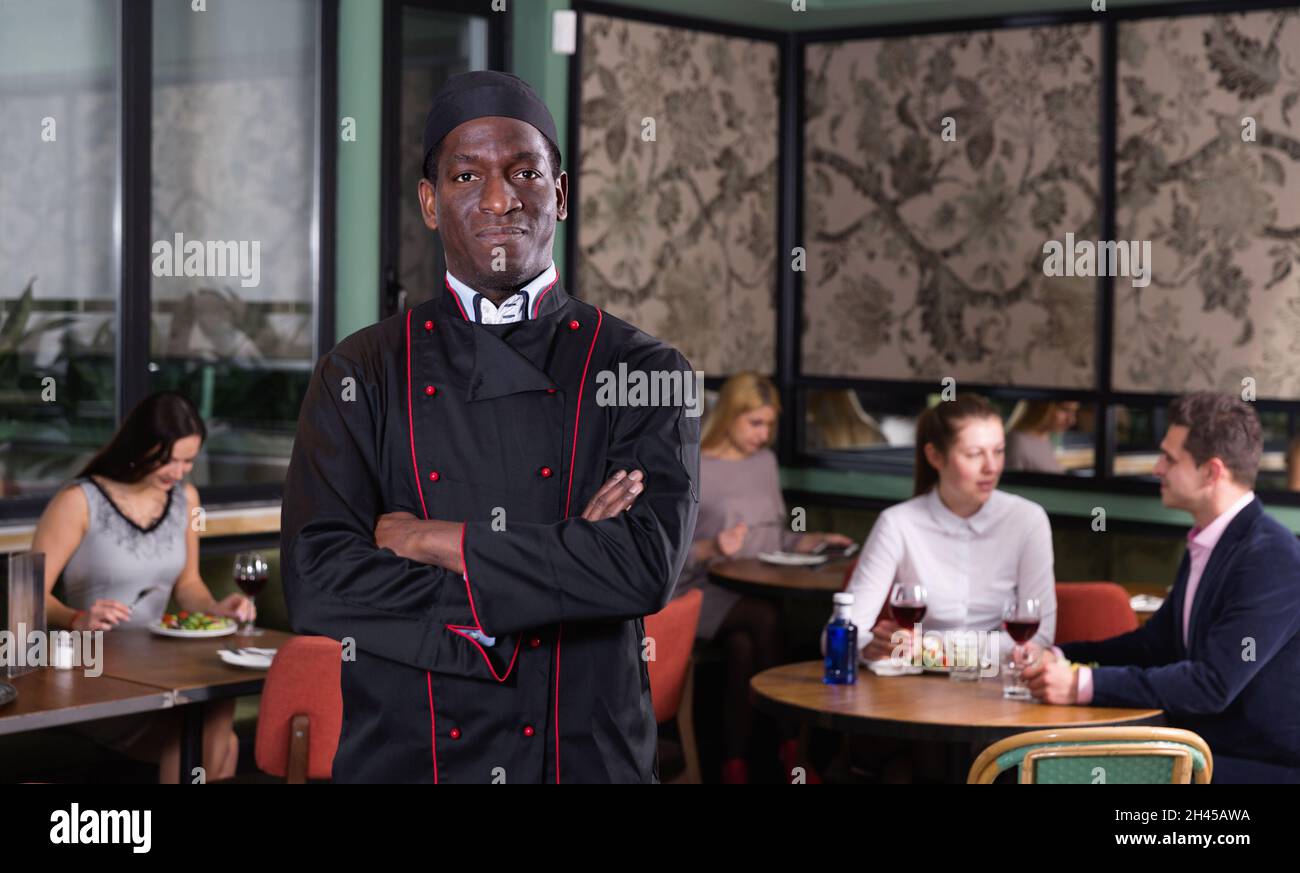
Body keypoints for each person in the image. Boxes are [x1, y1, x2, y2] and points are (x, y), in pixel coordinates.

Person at [280, 70, 700, 784]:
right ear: (430, 203)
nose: (500, 198)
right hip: (407, 755)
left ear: (559, 195)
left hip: (586, 755)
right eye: (467, 175)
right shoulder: (360, 370)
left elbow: (642, 567)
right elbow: (318, 581)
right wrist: (550, 579)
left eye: (524, 172)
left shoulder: (646, 368)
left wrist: (431, 540)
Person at [1024, 393, 1300, 783]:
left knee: (1037, 774)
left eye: (1170, 459)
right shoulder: (1210, 541)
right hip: (1193, 746)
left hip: (1250, 767)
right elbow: (1153, 646)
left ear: (1211, 472)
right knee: (1029, 768)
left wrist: (1081, 685)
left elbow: (1212, 684)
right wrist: (1059, 654)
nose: (1157, 468)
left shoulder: (1273, 557)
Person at [31, 391, 255, 783]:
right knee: (217, 742)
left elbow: (189, 584)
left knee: (220, 706)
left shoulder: (190, 501)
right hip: (98, 672)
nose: (181, 472)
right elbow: (30, 594)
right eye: (170, 460)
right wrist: (77, 617)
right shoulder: (77, 501)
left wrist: (219, 609)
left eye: (189, 460)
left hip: (165, 667)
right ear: (142, 448)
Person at [675, 373, 852, 783]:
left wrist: (812, 542)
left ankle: (734, 765)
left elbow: (773, 535)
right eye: (755, 423)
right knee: (766, 618)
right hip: (695, 589)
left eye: (770, 425)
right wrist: (713, 547)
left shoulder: (764, 462)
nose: (764, 434)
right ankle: (793, 747)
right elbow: (663, 551)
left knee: (743, 645)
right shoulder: (691, 461)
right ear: (730, 415)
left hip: (747, 589)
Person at [845, 393, 1056, 662]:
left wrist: (932, 649)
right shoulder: (897, 523)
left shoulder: (1028, 519)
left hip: (996, 686)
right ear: (935, 456)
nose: (991, 467)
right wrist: (866, 647)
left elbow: (1040, 637)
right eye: (974, 454)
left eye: (999, 451)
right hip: (913, 689)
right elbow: (839, 634)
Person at [1004, 399, 1078, 473]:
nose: (1072, 420)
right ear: (1043, 407)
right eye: (1065, 410)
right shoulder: (1016, 443)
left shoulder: (1044, 437)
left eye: (1073, 412)